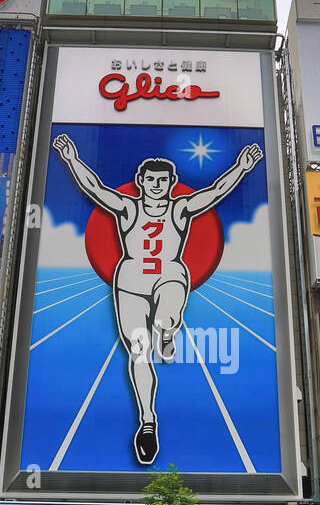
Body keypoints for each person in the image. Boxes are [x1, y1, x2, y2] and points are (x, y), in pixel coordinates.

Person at [52, 133, 263, 465]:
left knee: (169, 305)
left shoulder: (180, 209)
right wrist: (72, 159)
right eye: (150, 179)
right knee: (138, 352)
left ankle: (167, 329)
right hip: (132, 281)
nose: (156, 185)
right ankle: (147, 421)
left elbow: (216, 192)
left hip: (169, 275)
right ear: (141, 181)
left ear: (171, 183)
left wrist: (242, 167)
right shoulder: (126, 208)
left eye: (162, 180)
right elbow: (94, 188)